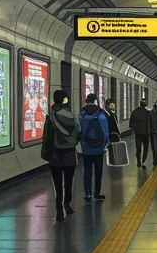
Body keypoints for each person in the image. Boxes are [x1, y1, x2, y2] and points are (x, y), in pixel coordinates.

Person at [41, 90, 79, 220]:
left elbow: (46, 136)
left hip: (55, 155)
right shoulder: (71, 116)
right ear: (64, 100)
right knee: (68, 182)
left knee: (57, 184)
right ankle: (67, 204)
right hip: (69, 154)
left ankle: (59, 209)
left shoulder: (51, 117)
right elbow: (77, 133)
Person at [79, 92, 109, 202]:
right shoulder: (100, 113)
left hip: (86, 148)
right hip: (99, 148)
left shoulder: (82, 114)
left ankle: (87, 193)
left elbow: (80, 130)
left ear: (86, 100)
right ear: (96, 100)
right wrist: (106, 142)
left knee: (87, 171)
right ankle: (97, 193)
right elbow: (105, 129)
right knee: (98, 171)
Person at [129, 97, 152, 167]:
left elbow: (131, 124)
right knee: (145, 148)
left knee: (138, 148)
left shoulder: (135, 111)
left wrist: (135, 128)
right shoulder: (148, 112)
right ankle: (143, 161)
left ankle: (138, 161)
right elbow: (150, 122)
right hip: (146, 133)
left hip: (138, 133)